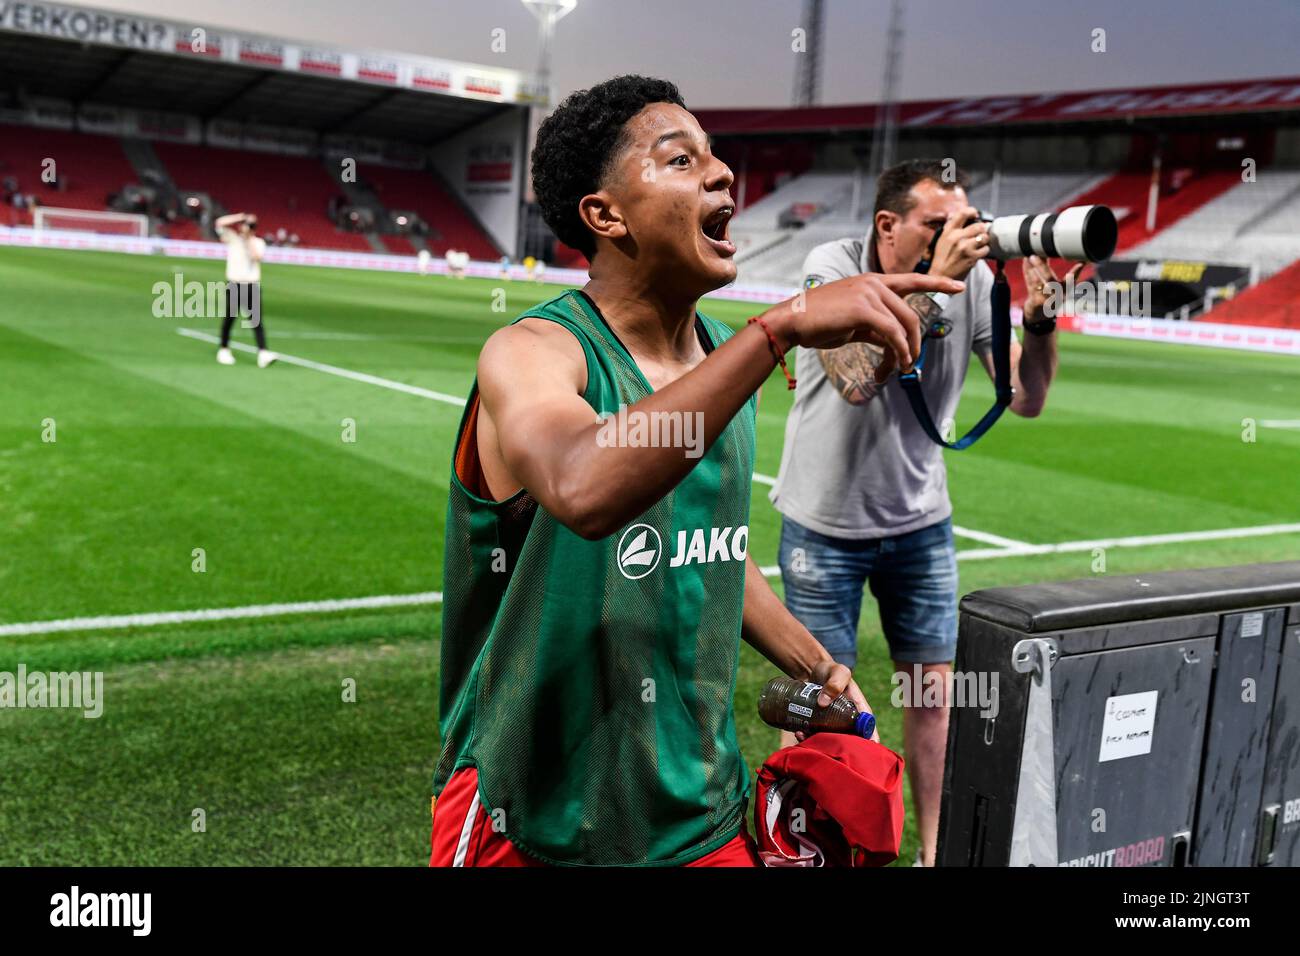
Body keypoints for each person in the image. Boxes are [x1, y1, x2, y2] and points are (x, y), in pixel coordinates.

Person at [428, 75, 962, 868]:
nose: (722, 175)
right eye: (682, 160)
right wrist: (776, 333)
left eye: (715, 157)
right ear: (604, 216)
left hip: (701, 815)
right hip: (530, 814)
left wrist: (815, 662)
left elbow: (706, 545)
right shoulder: (534, 353)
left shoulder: (720, 356)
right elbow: (583, 486)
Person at [769, 158, 1079, 866]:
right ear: (887, 226)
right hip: (825, 522)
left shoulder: (975, 281)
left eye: (963, 224)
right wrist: (937, 286)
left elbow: (1024, 398)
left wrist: (1040, 320)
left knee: (934, 698)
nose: (960, 239)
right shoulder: (833, 265)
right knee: (822, 703)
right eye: (937, 225)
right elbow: (852, 379)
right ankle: (812, 847)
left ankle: (936, 854)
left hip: (920, 523)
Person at [213, 212, 275, 368]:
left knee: (256, 321)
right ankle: (224, 349)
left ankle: (263, 352)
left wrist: (248, 239)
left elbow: (257, 257)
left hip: (251, 285)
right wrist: (241, 217)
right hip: (235, 284)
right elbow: (219, 222)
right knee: (230, 318)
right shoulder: (233, 238)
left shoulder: (258, 242)